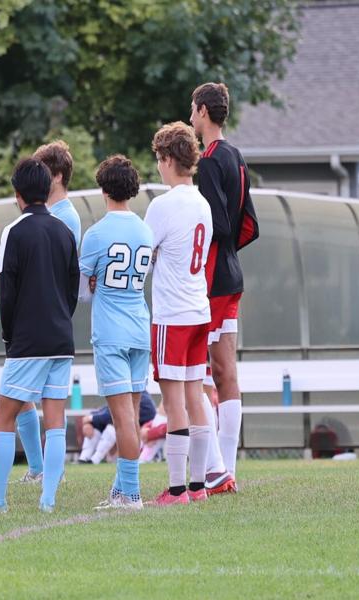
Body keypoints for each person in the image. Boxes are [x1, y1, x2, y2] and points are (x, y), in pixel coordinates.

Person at [0, 157, 78, 514]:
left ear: (18, 194)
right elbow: (72, 288)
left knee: (2, 416)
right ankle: (48, 500)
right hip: (62, 338)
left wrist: (10, 337)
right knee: (55, 419)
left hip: (28, 341)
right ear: (47, 189)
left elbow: (6, 291)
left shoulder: (13, 231)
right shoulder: (64, 230)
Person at [192, 81, 260, 493]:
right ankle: (225, 469)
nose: (192, 115)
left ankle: (216, 470)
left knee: (196, 372)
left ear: (202, 111)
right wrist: (231, 252)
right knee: (226, 373)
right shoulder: (236, 156)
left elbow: (214, 223)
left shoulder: (211, 160)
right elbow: (248, 223)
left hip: (213, 277)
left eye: (193, 108)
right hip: (232, 273)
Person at [77, 154, 155, 509]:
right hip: (140, 326)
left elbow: (81, 291)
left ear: (104, 189)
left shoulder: (96, 233)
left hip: (111, 331)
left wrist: (95, 283)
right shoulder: (144, 230)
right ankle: (122, 490)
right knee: (132, 413)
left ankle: (132, 493)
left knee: (123, 417)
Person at [142, 121, 214, 505]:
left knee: (174, 402)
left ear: (169, 159)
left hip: (172, 314)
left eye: (159, 159)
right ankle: (199, 486)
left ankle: (176, 490)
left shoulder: (163, 205)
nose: (158, 166)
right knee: (196, 397)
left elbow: (146, 256)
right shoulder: (202, 202)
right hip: (199, 310)